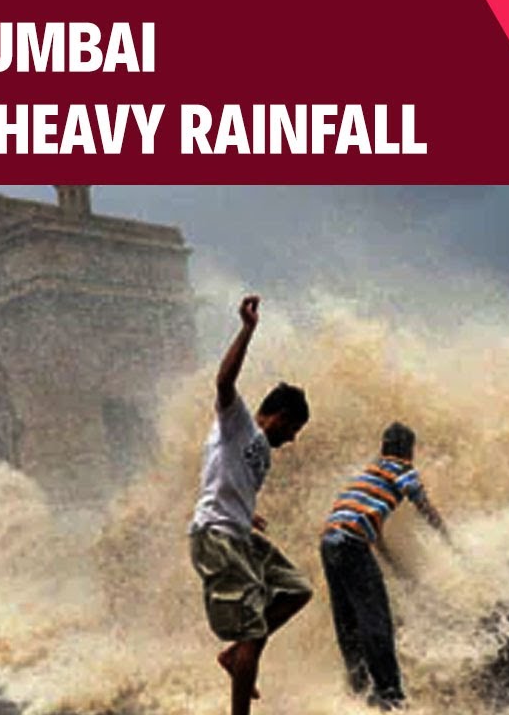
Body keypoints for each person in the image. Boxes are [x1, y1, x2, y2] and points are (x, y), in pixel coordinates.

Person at [188, 294, 313, 715]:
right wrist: (247, 329)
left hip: (239, 531)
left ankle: (234, 654)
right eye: (293, 428)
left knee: (297, 590)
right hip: (218, 536)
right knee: (253, 627)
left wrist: (249, 513)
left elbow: (224, 479)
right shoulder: (238, 423)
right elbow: (224, 383)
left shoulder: (260, 452)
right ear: (276, 415)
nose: (293, 438)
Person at [321, 421, 450, 711]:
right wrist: (446, 537)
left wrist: (390, 561)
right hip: (352, 542)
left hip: (330, 541)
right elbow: (422, 504)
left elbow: (369, 524)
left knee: (348, 621)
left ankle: (358, 687)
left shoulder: (369, 474)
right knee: (375, 618)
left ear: (383, 446)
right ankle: (390, 694)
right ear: (408, 450)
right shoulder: (401, 468)